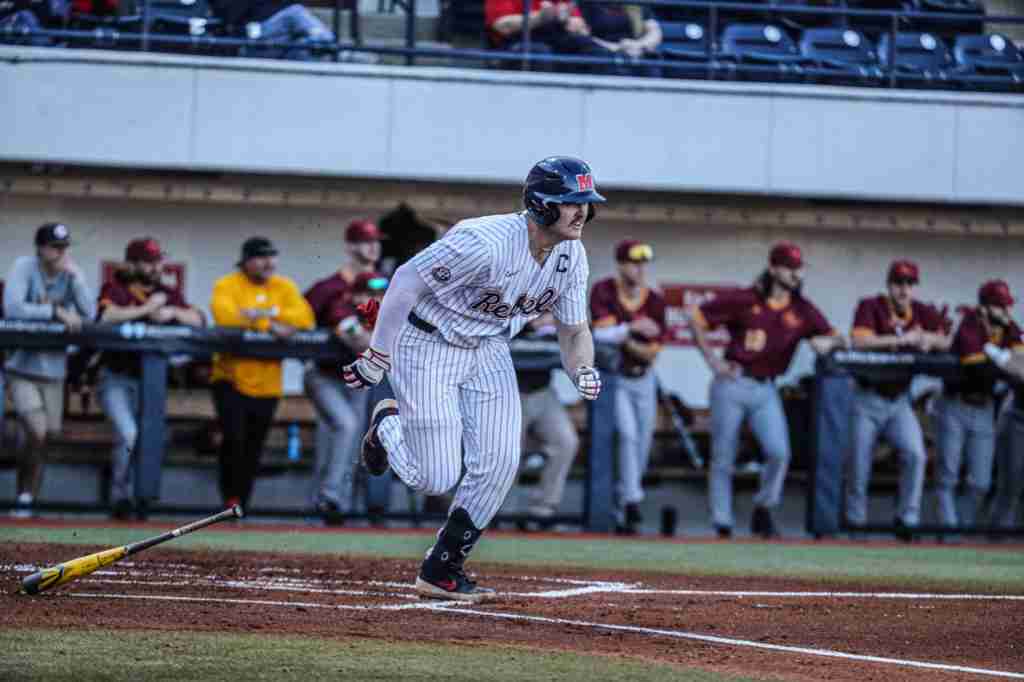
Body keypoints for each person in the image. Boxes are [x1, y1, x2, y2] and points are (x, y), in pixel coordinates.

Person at [342, 156, 605, 602]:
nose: (582, 212)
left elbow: (574, 329)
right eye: (571, 202)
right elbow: (405, 281)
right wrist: (378, 354)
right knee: (434, 477)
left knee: (502, 462)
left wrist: (581, 368)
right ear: (542, 205)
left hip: (488, 348)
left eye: (586, 203)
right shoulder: (482, 239)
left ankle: (443, 567)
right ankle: (387, 425)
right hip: (427, 342)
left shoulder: (571, 256)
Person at [686, 242, 845, 539]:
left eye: (799, 268)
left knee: (778, 452)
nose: (796, 273)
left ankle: (764, 506)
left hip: (767, 387)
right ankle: (722, 522)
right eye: (790, 267)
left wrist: (827, 343)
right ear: (773, 269)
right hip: (733, 382)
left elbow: (837, 337)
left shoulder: (802, 309)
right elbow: (695, 317)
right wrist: (712, 361)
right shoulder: (746, 298)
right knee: (723, 456)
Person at [96, 237, 205, 521]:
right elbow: (105, 316)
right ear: (132, 263)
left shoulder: (167, 293)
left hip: (151, 383)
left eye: (159, 261)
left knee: (145, 439)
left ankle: (138, 499)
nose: (157, 266)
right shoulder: (116, 288)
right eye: (149, 261)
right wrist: (146, 310)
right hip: (116, 377)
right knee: (129, 434)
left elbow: (200, 320)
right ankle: (120, 498)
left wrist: (173, 312)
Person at [845, 260, 949, 540]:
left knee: (915, 455)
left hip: (898, 401)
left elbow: (947, 341)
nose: (903, 289)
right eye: (898, 283)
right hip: (867, 398)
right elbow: (859, 341)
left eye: (909, 284)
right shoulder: (871, 306)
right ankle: (856, 525)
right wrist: (900, 341)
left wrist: (925, 337)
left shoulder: (922, 312)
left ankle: (907, 520)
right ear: (889, 285)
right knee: (859, 464)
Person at [209, 236, 315, 512]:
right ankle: (229, 500)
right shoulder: (228, 284)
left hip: (268, 383)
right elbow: (226, 317)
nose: (268, 262)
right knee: (234, 440)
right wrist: (272, 322)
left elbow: (305, 318)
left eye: (272, 256)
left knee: (254, 447)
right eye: (260, 256)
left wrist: (256, 317)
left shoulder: (284, 286)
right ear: (245, 261)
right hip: (230, 377)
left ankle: (242, 505)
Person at [4, 223, 95, 518]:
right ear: (41, 248)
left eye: (64, 247)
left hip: (54, 372)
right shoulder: (24, 266)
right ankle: (24, 498)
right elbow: (13, 308)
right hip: (22, 368)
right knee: (37, 432)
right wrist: (53, 311)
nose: (60, 252)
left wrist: (78, 279)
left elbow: (89, 315)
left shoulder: (70, 274)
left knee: (44, 438)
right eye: (55, 247)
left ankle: (28, 499)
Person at [934, 280, 1023, 533]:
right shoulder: (969, 323)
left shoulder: (1009, 326)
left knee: (981, 482)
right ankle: (951, 535)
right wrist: (1004, 360)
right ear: (984, 307)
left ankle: (961, 529)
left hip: (984, 409)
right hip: (955, 404)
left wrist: (995, 354)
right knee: (948, 477)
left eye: (1007, 306)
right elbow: (978, 368)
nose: (1005, 312)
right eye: (999, 306)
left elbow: (1023, 364)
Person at [589, 239, 666, 535]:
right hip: (615, 378)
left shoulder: (655, 300)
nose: (640, 268)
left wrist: (625, 338)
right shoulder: (604, 290)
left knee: (643, 442)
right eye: (634, 262)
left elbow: (652, 350)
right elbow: (600, 333)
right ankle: (632, 503)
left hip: (644, 378)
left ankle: (625, 504)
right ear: (621, 265)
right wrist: (632, 329)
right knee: (628, 436)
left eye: (643, 263)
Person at [304, 269, 388, 525]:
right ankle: (328, 498)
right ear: (354, 294)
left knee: (353, 441)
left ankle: (338, 505)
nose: (375, 298)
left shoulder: (383, 314)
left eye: (379, 292)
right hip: (325, 378)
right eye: (368, 292)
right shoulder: (340, 309)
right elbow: (360, 341)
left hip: (356, 383)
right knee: (346, 426)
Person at [514, 311, 580, 528]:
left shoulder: (552, 292)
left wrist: (551, 326)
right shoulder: (510, 295)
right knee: (508, 455)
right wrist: (528, 323)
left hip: (543, 392)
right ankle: (500, 516)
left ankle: (543, 509)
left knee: (565, 442)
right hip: (509, 393)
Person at [208, 0, 335, 61]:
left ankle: (316, 42)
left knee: (302, 54)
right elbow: (229, 15)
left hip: (278, 38)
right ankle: (321, 40)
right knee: (293, 13)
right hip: (254, 35)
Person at [486, 0, 597, 69]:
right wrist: (539, 17)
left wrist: (572, 23)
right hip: (517, 43)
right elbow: (501, 26)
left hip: (556, 40)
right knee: (540, 53)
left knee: (592, 50)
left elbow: (584, 30)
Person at [984, 338, 1024, 530]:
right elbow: (1008, 361)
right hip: (1017, 416)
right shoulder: (1018, 336)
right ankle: (998, 542)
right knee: (1010, 485)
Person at [582, 3, 663, 76]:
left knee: (651, 70)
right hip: (602, 52)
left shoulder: (635, 4)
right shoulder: (588, 4)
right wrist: (616, 48)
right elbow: (582, 34)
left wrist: (637, 45)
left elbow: (655, 32)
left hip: (633, 52)